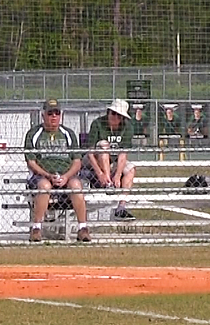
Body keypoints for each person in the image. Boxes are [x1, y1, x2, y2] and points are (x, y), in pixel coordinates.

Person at [24, 98, 90, 243]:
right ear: (43, 115)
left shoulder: (68, 134)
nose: (53, 116)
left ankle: (83, 228)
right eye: (50, 113)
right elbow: (31, 162)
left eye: (56, 113)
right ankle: (36, 228)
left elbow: (77, 161)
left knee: (76, 186)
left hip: (66, 175)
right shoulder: (34, 134)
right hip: (42, 175)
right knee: (44, 186)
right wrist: (47, 175)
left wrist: (66, 176)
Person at [82, 98, 136, 220]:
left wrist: (117, 175)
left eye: (119, 115)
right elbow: (90, 152)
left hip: (113, 160)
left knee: (131, 169)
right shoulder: (97, 123)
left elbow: (123, 154)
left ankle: (121, 207)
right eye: (113, 113)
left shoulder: (127, 128)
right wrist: (100, 173)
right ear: (108, 112)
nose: (115, 117)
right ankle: (108, 182)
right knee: (103, 144)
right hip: (92, 160)